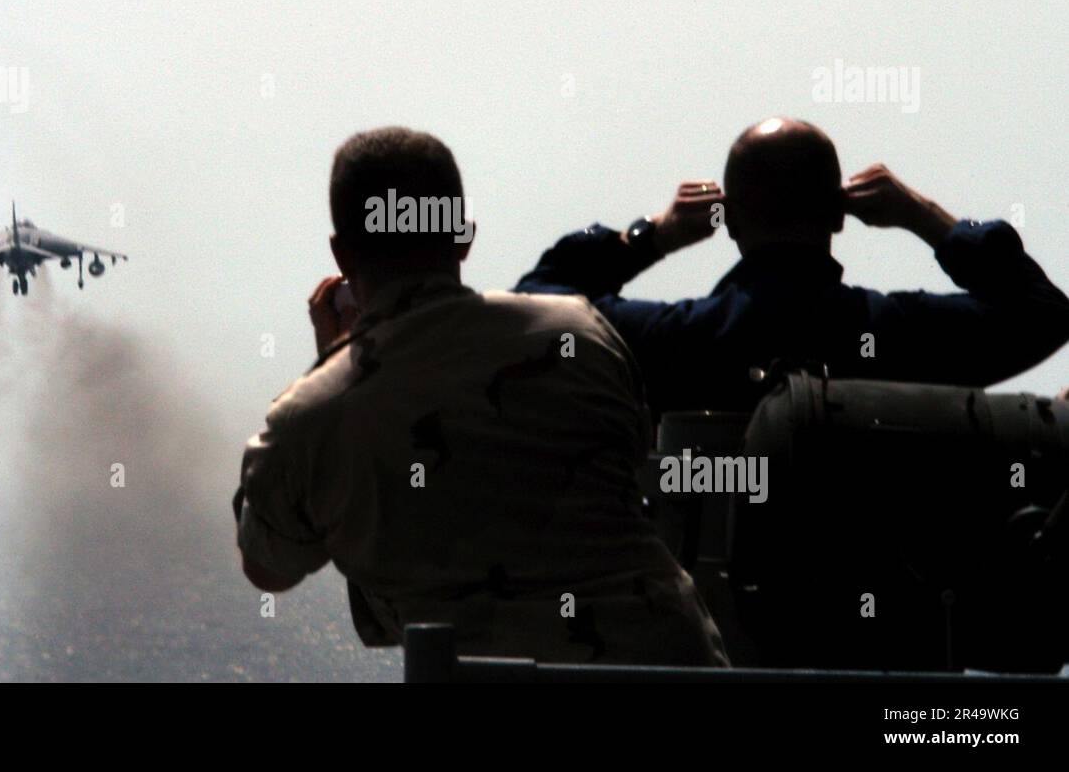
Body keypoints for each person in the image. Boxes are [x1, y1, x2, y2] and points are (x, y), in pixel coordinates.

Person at [234, 127, 727, 665]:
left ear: (342, 255)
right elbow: (630, 469)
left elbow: (269, 564)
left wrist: (335, 358)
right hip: (671, 664)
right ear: (464, 236)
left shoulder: (314, 414)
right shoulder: (580, 335)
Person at [516, 117, 1069, 418]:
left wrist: (653, 234)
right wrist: (920, 215)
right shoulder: (894, 335)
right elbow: (1040, 313)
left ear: (728, 222)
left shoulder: (678, 340)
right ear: (840, 213)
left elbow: (537, 307)